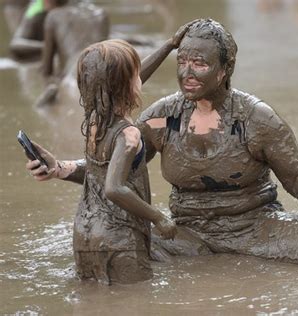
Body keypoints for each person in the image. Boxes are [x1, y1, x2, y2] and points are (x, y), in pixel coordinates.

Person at [27, 19, 298, 287]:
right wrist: (60, 166)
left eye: (200, 64)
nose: (188, 72)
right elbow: (108, 168)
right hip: (186, 232)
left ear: (225, 69)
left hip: (257, 224)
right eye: (183, 61)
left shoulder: (258, 119)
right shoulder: (162, 117)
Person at [26, 26, 191, 284]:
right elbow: (114, 188)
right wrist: (159, 218)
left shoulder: (95, 123)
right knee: (134, 304)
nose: (140, 78)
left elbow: (96, 174)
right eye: (134, 75)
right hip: (120, 241)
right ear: (125, 86)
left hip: (84, 235)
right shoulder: (129, 135)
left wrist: (58, 168)